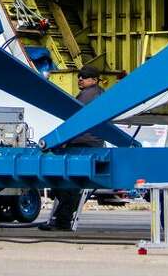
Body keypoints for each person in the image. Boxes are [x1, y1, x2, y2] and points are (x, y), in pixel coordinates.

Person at [42, 64, 109, 231]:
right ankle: (61, 219)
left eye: (84, 77)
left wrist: (62, 141)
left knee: (66, 183)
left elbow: (74, 121)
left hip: (82, 144)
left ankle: (62, 220)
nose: (80, 79)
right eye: (79, 76)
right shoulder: (99, 93)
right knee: (71, 184)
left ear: (94, 80)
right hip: (92, 144)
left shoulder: (88, 95)